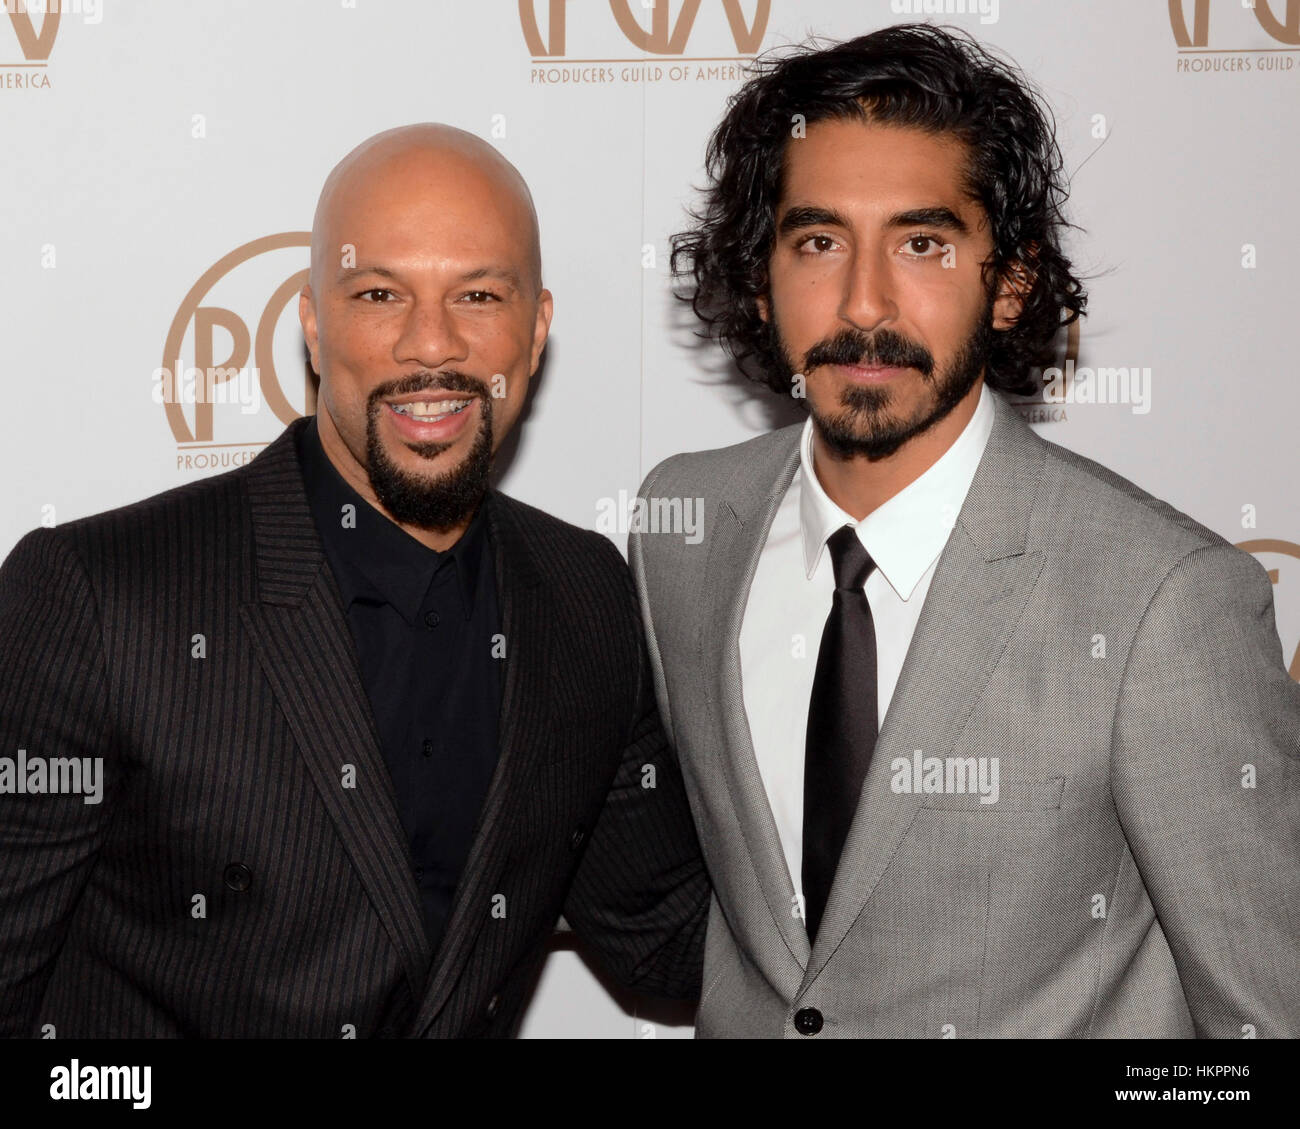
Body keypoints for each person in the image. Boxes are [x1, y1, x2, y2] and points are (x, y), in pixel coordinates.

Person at [632, 24, 1300, 1037]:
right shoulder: (681, 530)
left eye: (922, 243)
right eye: (817, 241)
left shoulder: (1161, 600)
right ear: (759, 274)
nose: (863, 301)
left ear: (1012, 282)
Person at [0, 123, 708, 1038]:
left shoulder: (584, 594)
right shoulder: (99, 599)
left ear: (535, 332)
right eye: (380, 293)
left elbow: (663, 932)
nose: (431, 345)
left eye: (479, 293)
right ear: (312, 323)